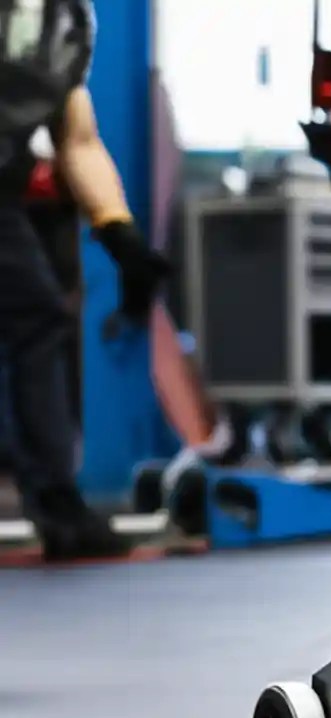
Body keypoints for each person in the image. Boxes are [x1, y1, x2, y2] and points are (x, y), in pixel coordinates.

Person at [1, 0, 169, 559]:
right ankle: (54, 498)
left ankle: (56, 500)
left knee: (41, 318)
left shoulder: (64, 19)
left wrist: (119, 234)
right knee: (38, 316)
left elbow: (77, 137)